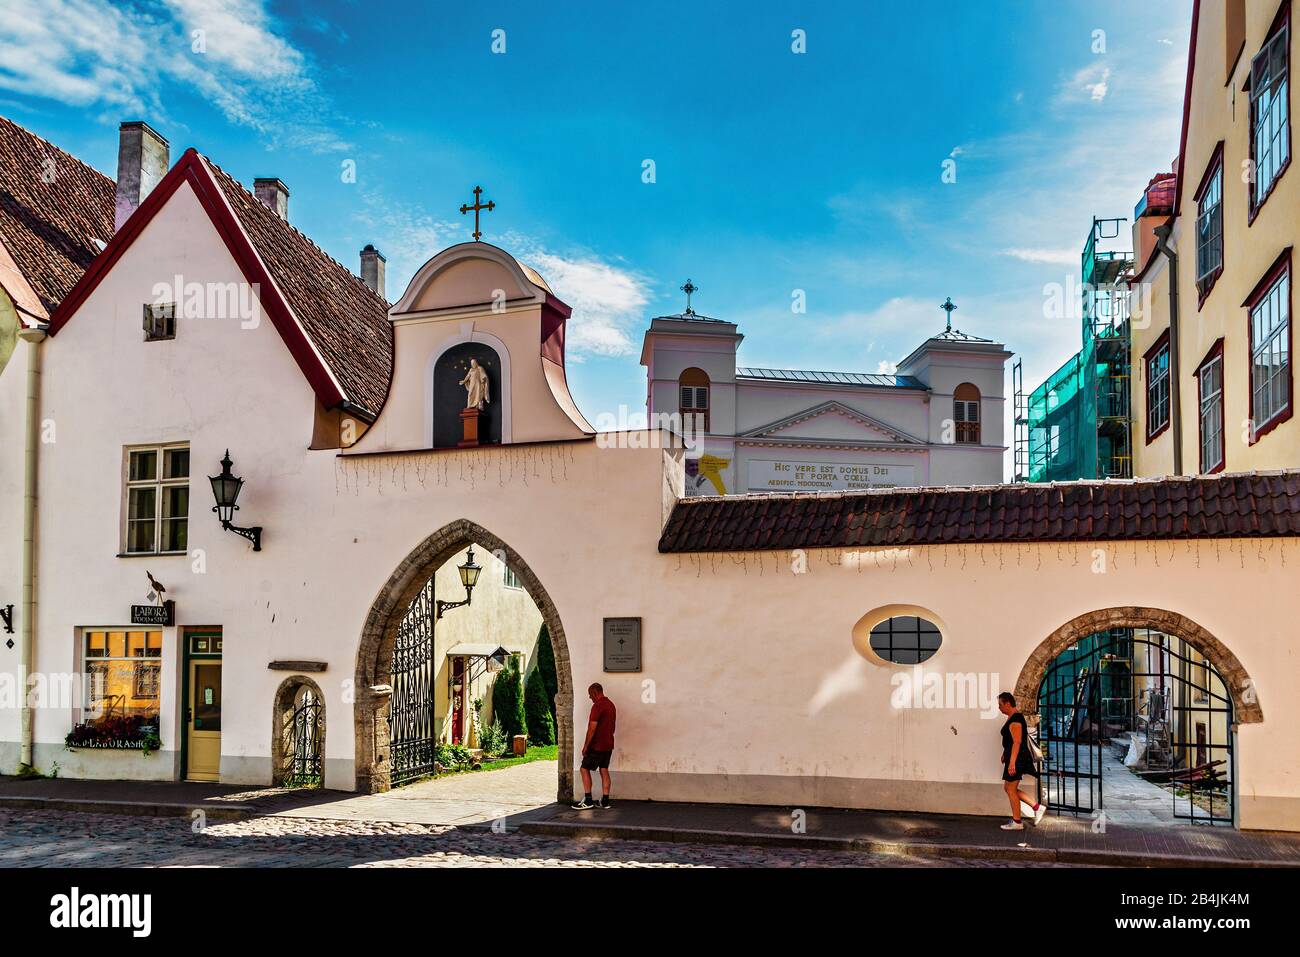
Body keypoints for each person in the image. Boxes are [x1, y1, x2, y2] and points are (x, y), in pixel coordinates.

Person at [996, 691, 1046, 830]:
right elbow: (1010, 742)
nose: (999, 708)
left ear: (1007, 703)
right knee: (1009, 788)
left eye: (1000, 705)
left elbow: (1017, 742)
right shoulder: (1012, 717)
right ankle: (1037, 807)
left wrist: (1011, 762)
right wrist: (1005, 754)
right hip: (1013, 757)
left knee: (1010, 789)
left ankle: (1017, 822)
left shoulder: (1016, 720)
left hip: (1017, 759)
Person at [573, 682, 616, 810]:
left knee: (584, 768)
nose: (589, 697)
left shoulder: (598, 706)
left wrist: (586, 746)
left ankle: (588, 799)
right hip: (608, 744)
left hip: (597, 745)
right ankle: (605, 801)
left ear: (595, 693)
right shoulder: (611, 705)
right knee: (604, 769)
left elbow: (592, 728)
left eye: (590, 695)